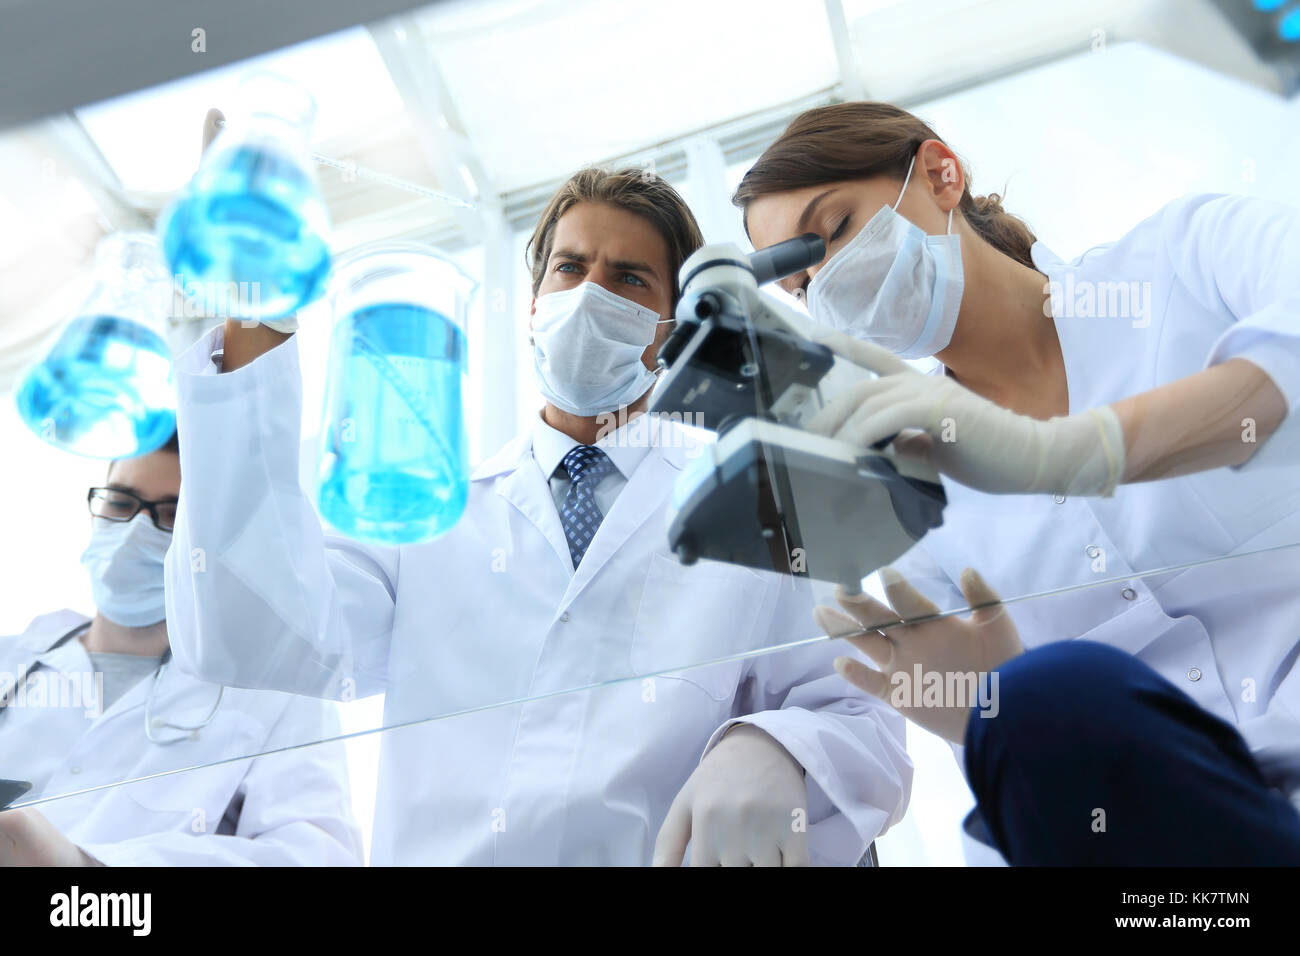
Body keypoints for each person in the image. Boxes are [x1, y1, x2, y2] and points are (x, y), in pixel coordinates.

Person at [163, 162, 911, 866]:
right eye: (570, 267)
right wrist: (252, 320)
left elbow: (866, 719)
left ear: (675, 328)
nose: (590, 293)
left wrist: (775, 747)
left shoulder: (763, 507)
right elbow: (254, 632)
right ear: (530, 307)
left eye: (628, 278)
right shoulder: (427, 514)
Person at [734, 101, 1300, 865]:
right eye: (802, 287)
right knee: (1042, 699)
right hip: (1182, 869)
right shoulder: (917, 503)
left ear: (940, 174)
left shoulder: (1186, 260)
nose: (830, 289)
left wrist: (1063, 453)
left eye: (833, 233)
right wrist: (983, 710)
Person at [0, 433, 363, 866]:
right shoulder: (12, 660)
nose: (135, 531)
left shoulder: (278, 691)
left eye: (172, 515)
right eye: (120, 502)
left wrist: (85, 866)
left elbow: (318, 856)